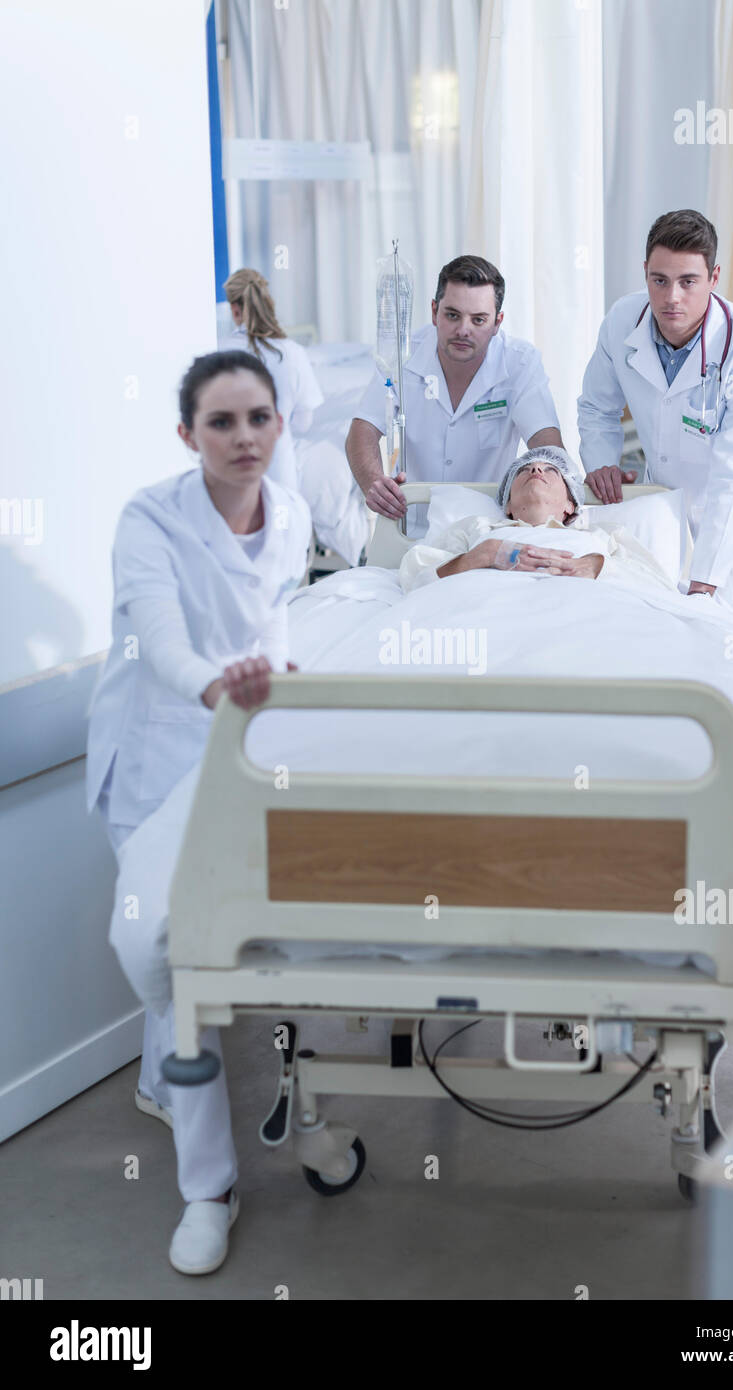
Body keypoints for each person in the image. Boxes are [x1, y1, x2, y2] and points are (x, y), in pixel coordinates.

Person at [85, 350, 311, 1275]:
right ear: (188, 435)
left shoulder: (290, 516)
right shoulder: (149, 520)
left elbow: (277, 628)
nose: (244, 437)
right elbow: (162, 639)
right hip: (156, 754)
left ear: (278, 424)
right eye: (221, 423)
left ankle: (205, 1175)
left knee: (202, 962)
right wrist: (220, 683)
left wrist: (275, 692)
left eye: (258, 417)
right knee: (156, 951)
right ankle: (203, 1180)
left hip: (237, 753)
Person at [577, 210, 733, 627]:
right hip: (660, 511)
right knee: (653, 637)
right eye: (660, 280)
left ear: (714, 276)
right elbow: (597, 406)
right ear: (645, 273)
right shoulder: (622, 323)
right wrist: (602, 460)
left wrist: (705, 581)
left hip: (731, 527)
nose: (672, 297)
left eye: (688, 281)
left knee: (715, 644)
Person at [347, 254, 566, 523]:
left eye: (478, 320)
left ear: (497, 322)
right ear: (434, 312)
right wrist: (373, 483)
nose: (463, 330)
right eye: (452, 315)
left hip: (489, 528)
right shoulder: (401, 356)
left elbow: (546, 443)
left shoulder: (520, 363)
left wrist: (557, 499)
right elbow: (363, 429)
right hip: (412, 525)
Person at [399, 445, 673, 594]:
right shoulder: (478, 530)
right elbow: (415, 584)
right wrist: (480, 556)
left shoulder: (600, 537)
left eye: (551, 469)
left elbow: (659, 590)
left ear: (570, 505)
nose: (536, 468)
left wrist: (597, 566)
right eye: (525, 470)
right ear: (507, 505)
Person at [220, 268, 323, 494]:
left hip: (231, 471)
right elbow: (304, 423)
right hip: (279, 471)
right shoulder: (293, 352)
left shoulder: (221, 352)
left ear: (235, 310)